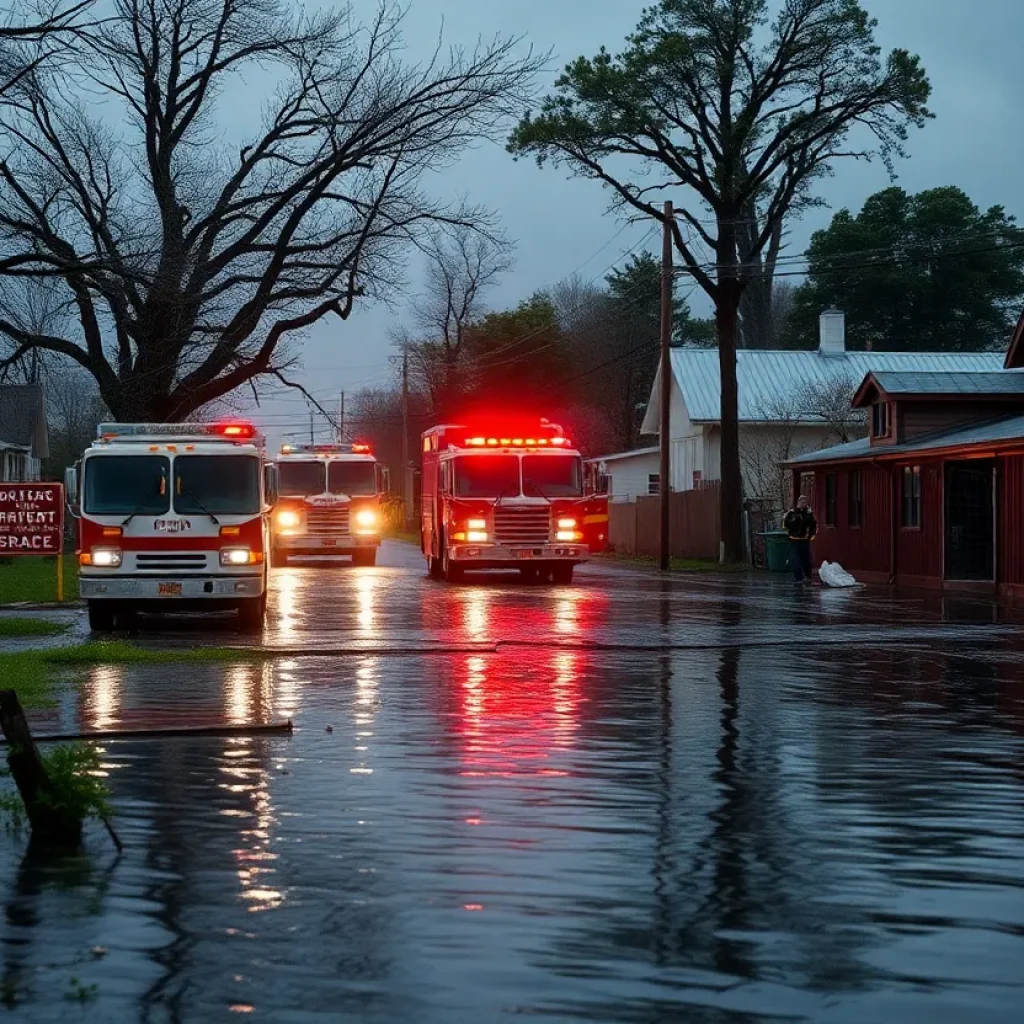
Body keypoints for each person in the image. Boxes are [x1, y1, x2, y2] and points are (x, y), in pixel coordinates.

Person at [783, 495, 817, 583]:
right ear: (798, 502)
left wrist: (811, 535)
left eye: (804, 502)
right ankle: (798, 577)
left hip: (805, 539)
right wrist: (795, 520)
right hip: (794, 539)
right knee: (796, 558)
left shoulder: (809, 513)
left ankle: (807, 576)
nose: (803, 503)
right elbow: (786, 525)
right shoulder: (792, 513)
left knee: (806, 559)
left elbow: (814, 525)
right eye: (801, 502)